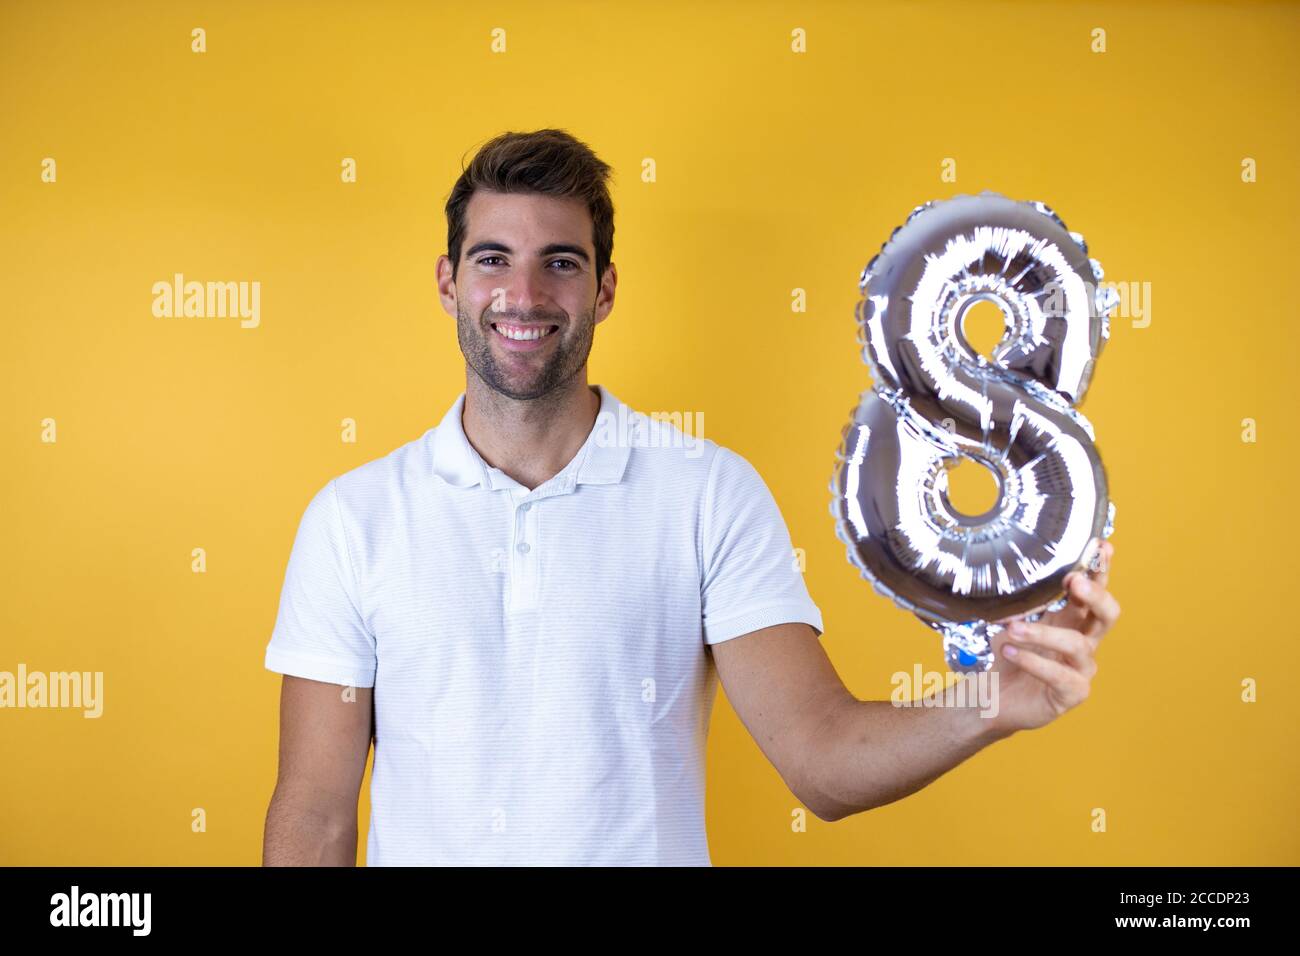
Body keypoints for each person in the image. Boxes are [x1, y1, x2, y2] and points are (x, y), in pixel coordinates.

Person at [261, 128, 1122, 866]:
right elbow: (315, 817)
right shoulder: (353, 518)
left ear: (603, 290)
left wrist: (992, 703)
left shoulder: (707, 493)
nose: (523, 296)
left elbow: (821, 761)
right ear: (450, 282)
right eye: (494, 261)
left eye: (560, 263)